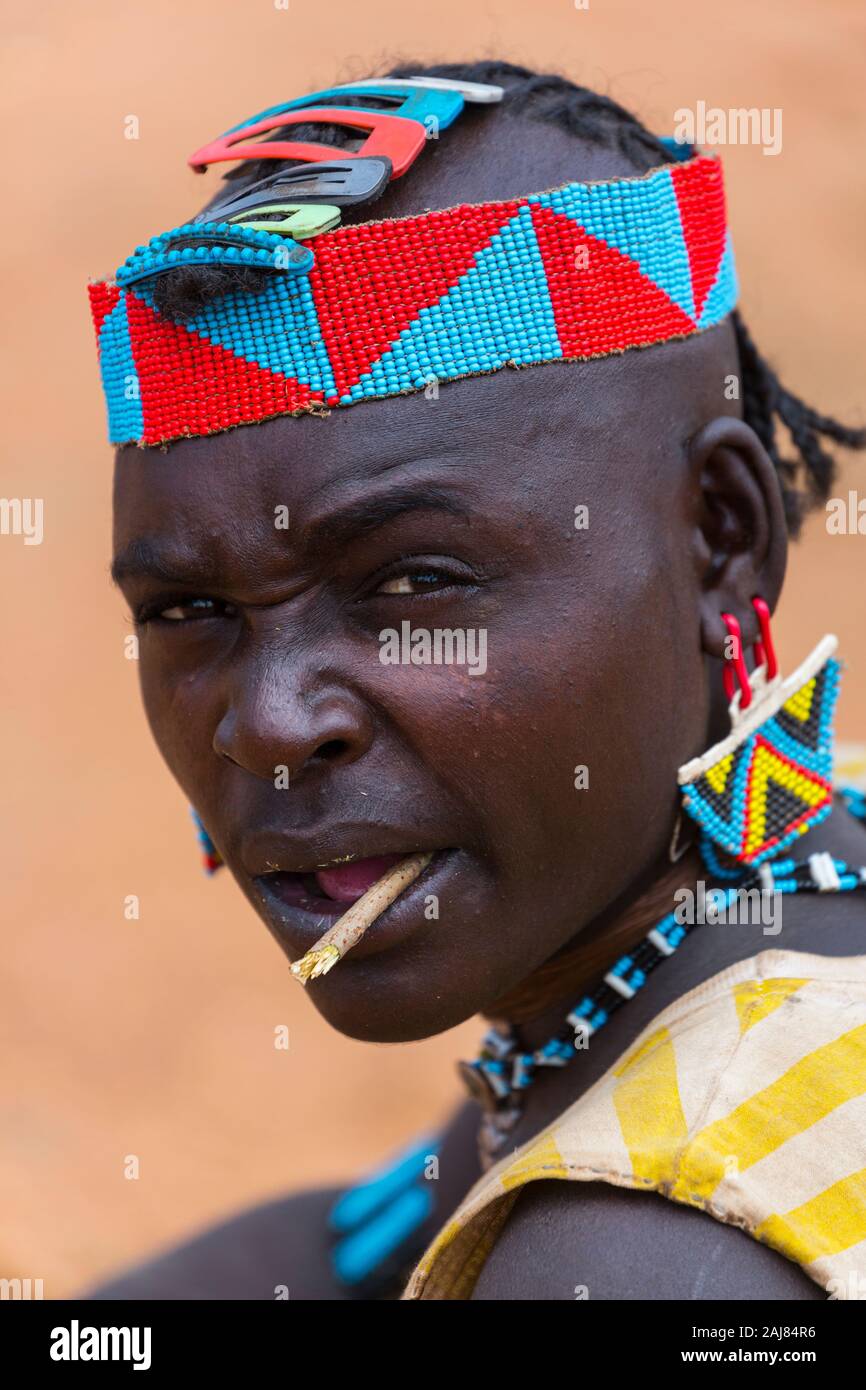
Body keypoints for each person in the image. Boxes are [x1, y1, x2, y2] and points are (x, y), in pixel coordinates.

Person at [86, 60, 866, 1300]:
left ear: (719, 536)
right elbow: (354, 1244)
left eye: (410, 582)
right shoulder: (771, 900)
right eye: (190, 611)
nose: (269, 726)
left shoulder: (634, 1253)